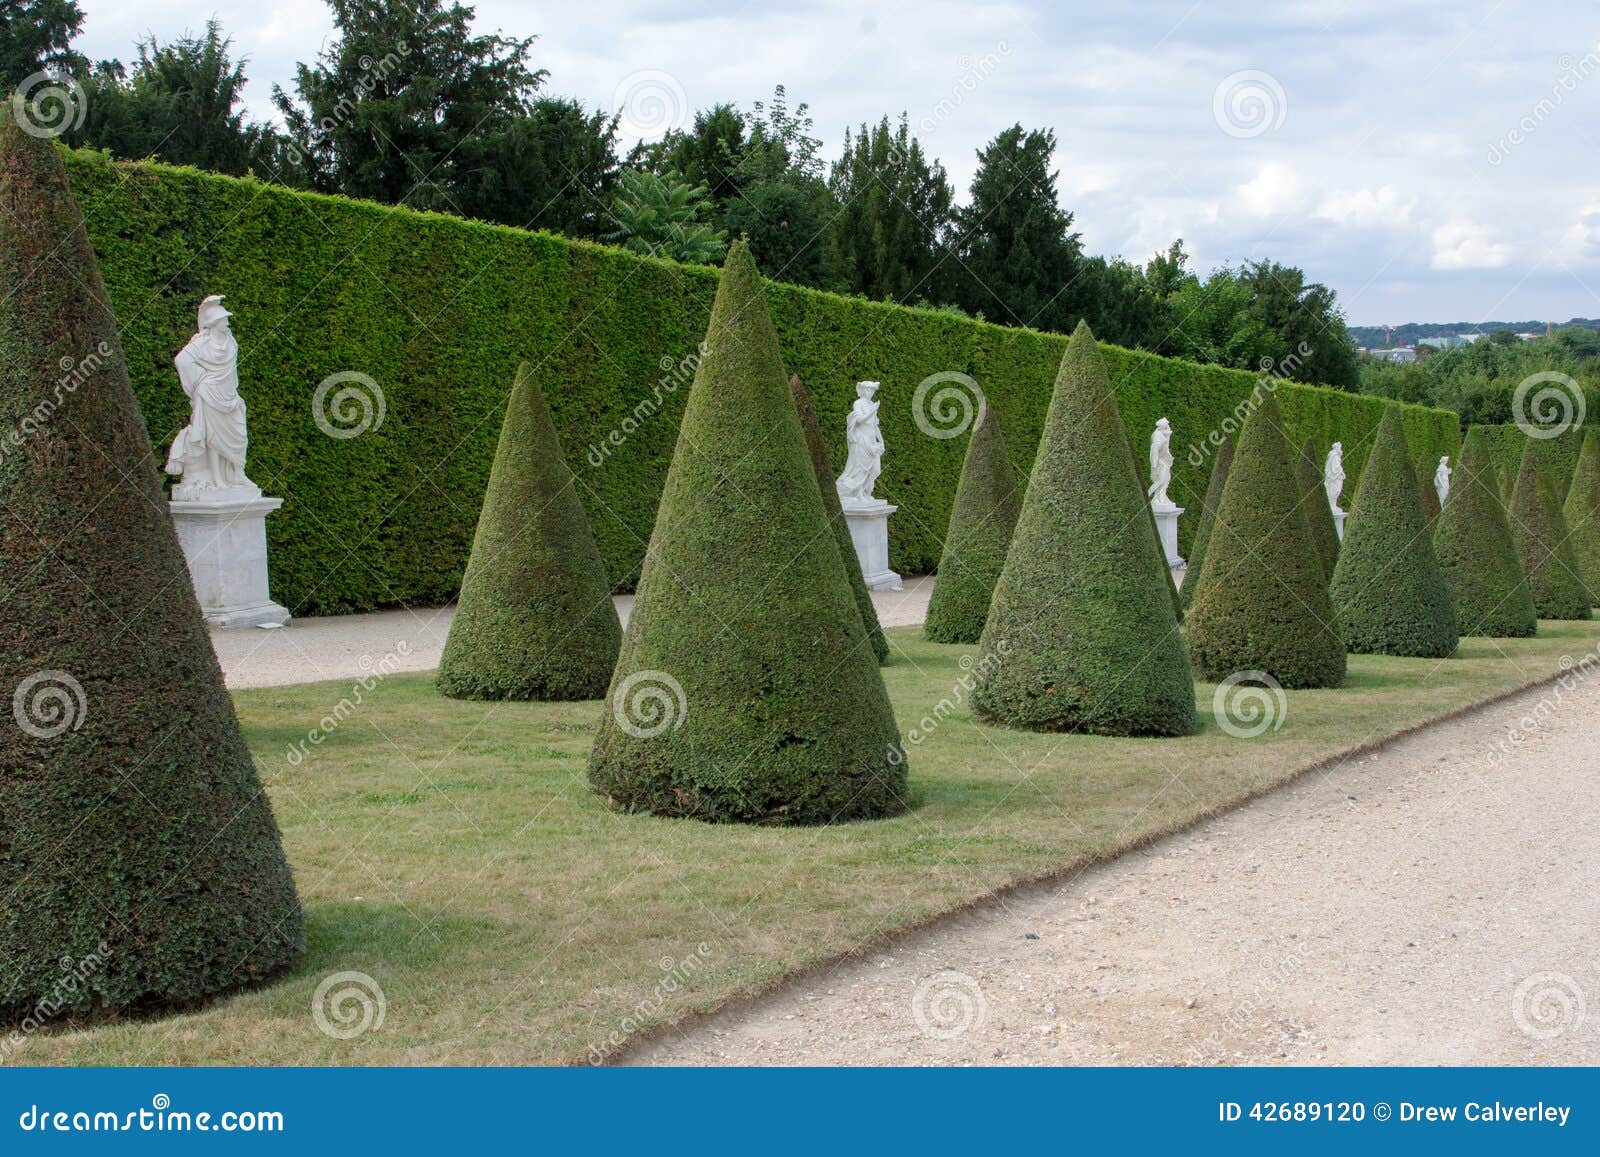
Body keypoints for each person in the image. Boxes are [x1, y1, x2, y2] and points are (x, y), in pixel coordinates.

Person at [165, 295, 258, 499]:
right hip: (209, 394)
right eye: (223, 319)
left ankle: (237, 473)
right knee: (213, 438)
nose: (227, 321)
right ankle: (217, 479)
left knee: (239, 434)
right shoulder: (201, 344)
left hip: (229, 395)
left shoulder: (229, 341)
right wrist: (198, 384)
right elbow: (181, 360)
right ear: (214, 323)